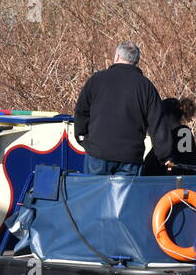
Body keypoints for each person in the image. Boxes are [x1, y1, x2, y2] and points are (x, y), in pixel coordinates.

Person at [73, 41, 171, 176]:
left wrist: (81, 136)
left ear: (117, 56)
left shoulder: (96, 80)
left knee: (96, 195)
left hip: (98, 152)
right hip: (130, 156)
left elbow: (82, 111)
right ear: (136, 60)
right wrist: (165, 155)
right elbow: (157, 123)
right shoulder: (146, 86)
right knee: (125, 197)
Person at [142, 97, 196, 175]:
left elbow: (184, 166)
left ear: (166, 116)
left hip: (174, 185)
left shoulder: (183, 133)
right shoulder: (168, 136)